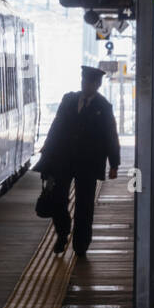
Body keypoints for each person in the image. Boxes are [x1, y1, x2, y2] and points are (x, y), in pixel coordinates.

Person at [35, 65, 121, 257]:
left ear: (97, 85)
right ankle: (63, 232)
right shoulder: (68, 99)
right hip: (62, 161)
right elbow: (56, 128)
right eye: (83, 81)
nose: (86, 85)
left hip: (88, 165)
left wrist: (114, 164)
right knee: (58, 200)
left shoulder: (103, 107)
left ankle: (81, 245)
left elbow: (111, 136)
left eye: (90, 83)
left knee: (85, 206)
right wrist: (46, 154)